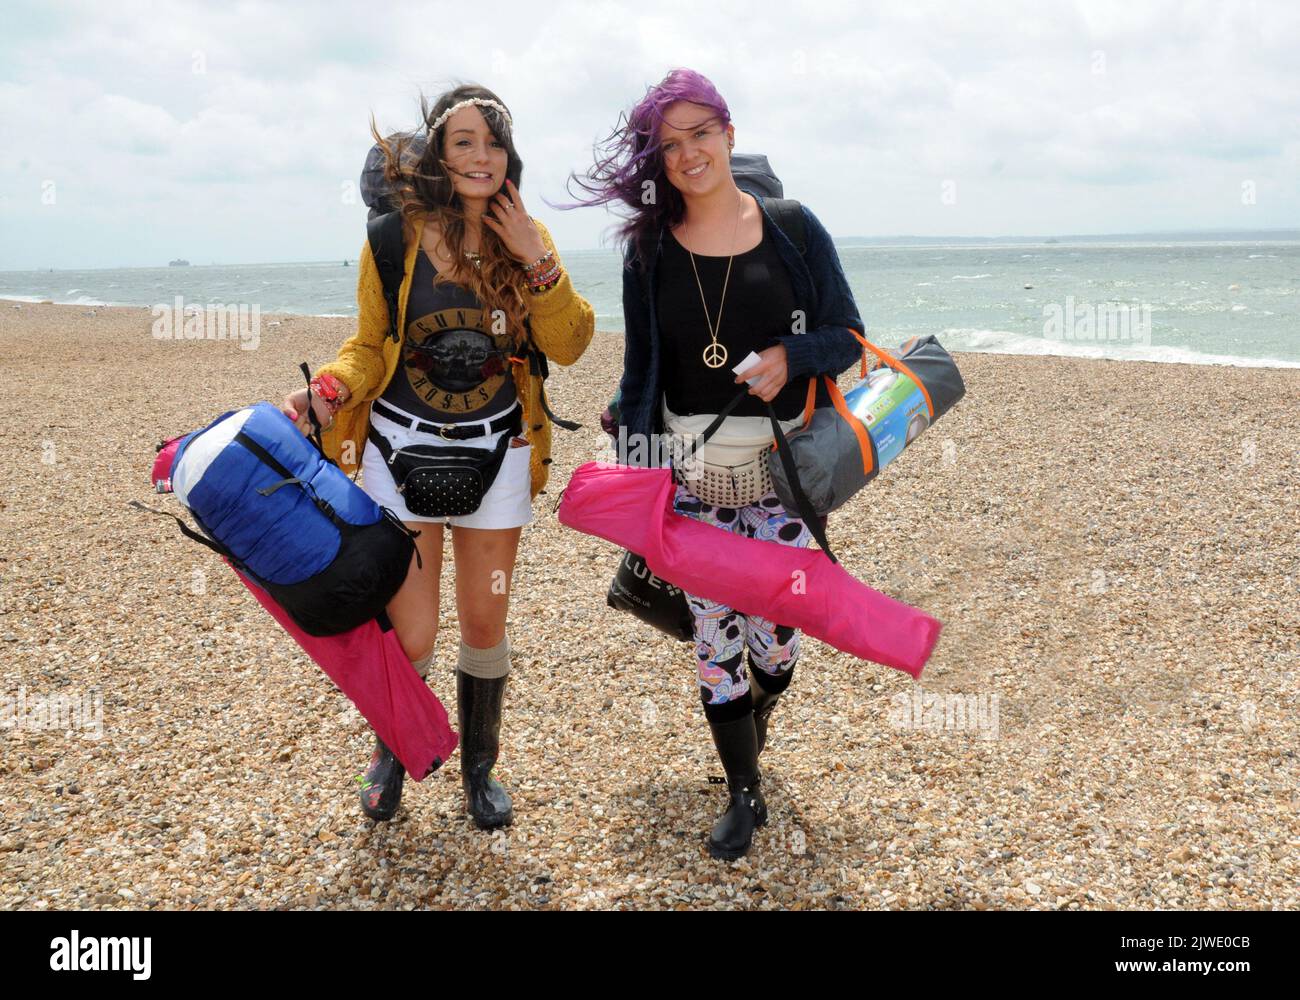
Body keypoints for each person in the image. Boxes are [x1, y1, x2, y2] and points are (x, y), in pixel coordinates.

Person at [564, 68, 863, 859]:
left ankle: (758, 720)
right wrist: (634, 481)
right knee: (715, 635)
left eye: (701, 133)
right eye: (671, 143)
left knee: (780, 643)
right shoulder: (650, 251)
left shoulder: (795, 229)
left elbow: (850, 337)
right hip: (692, 480)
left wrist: (789, 355)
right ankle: (743, 790)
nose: (689, 152)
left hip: (785, 478)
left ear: (729, 134)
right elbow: (639, 373)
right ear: (659, 160)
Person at [282, 84, 595, 828]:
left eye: (492, 141)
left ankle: (480, 770)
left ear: (508, 155)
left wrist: (537, 261)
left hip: (498, 457)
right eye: (463, 142)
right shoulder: (394, 238)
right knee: (413, 631)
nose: (480, 156)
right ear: (438, 155)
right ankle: (393, 748)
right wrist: (327, 388)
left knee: (484, 624)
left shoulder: (527, 234)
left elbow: (571, 342)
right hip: (398, 452)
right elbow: (366, 345)